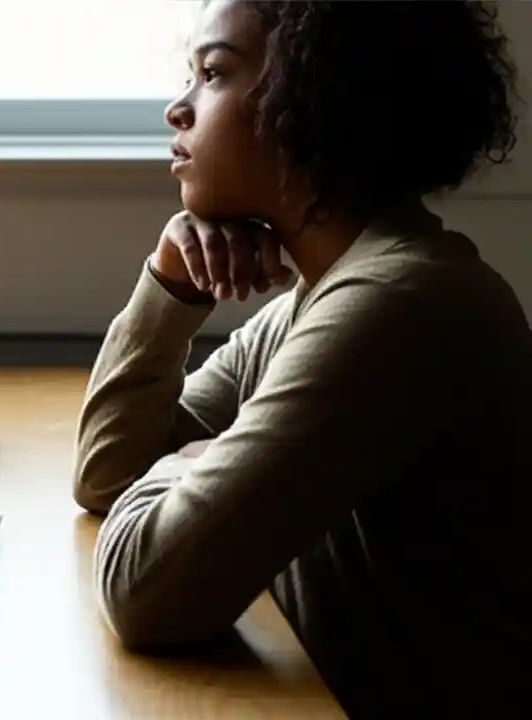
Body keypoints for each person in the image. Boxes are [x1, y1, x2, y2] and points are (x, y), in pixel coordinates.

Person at [73, 1, 530, 715]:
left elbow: (144, 590)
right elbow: (106, 476)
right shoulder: (319, 299)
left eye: (213, 73)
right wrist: (169, 283)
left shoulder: (398, 305)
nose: (177, 108)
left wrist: (192, 464)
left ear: (310, 95)